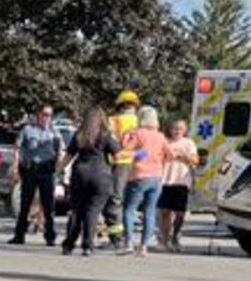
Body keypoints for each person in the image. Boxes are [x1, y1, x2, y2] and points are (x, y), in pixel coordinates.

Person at [59, 107, 119, 256]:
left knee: (76, 210)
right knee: (92, 211)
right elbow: (118, 155)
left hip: (80, 173)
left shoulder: (79, 135)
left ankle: (69, 244)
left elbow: (69, 155)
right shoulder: (105, 135)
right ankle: (87, 245)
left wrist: (59, 169)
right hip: (100, 175)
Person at [120, 106, 173, 255]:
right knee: (150, 211)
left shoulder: (138, 134)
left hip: (139, 175)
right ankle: (144, 246)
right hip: (156, 177)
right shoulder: (160, 136)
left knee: (130, 209)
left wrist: (126, 135)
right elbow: (171, 155)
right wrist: (160, 160)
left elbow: (125, 148)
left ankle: (129, 243)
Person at [10, 106, 62, 245]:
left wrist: (58, 170)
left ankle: (50, 237)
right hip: (30, 171)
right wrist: (16, 168)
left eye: (50, 115)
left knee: (48, 206)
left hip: (47, 172)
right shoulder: (28, 130)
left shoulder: (54, 133)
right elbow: (17, 149)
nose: (47, 118)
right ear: (38, 115)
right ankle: (19, 235)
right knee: (25, 204)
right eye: (45, 114)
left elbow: (60, 152)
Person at [156, 119, 203, 251]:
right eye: (174, 129)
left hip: (182, 181)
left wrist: (184, 155)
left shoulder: (188, 143)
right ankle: (164, 240)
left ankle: (175, 237)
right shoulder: (165, 141)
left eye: (180, 129)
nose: (177, 131)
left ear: (185, 131)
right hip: (165, 179)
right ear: (170, 130)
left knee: (180, 213)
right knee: (165, 211)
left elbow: (196, 161)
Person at [105, 90, 141, 232]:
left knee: (116, 197)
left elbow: (108, 140)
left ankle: (116, 232)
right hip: (137, 162)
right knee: (131, 198)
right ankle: (128, 230)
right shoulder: (140, 121)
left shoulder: (113, 120)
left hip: (118, 162)